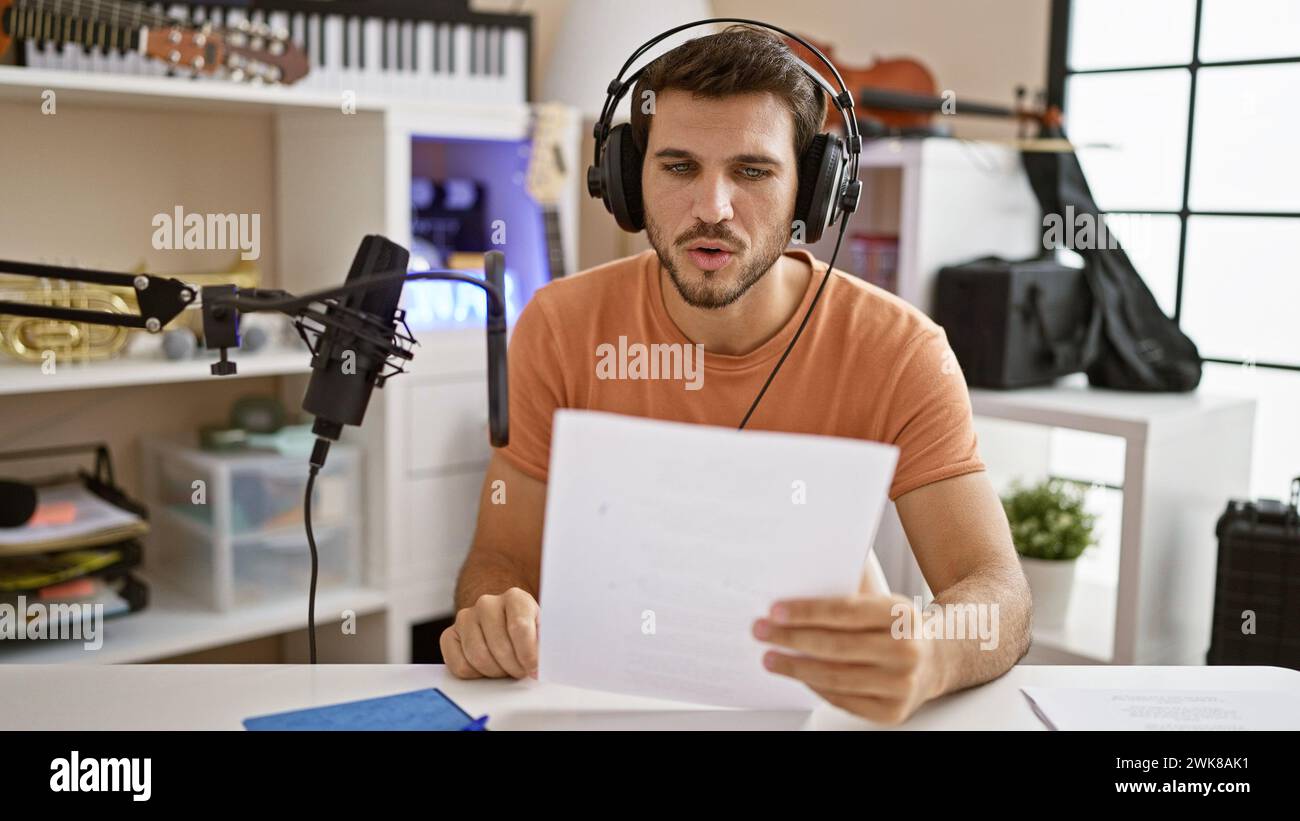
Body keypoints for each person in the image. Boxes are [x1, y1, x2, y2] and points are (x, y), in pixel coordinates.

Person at [441, 25, 1030, 725]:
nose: (712, 208)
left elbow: (1000, 594)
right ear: (628, 181)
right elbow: (498, 557)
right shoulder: (558, 326)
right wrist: (491, 613)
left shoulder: (901, 349)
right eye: (679, 167)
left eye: (752, 171)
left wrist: (931, 650)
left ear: (813, 193)